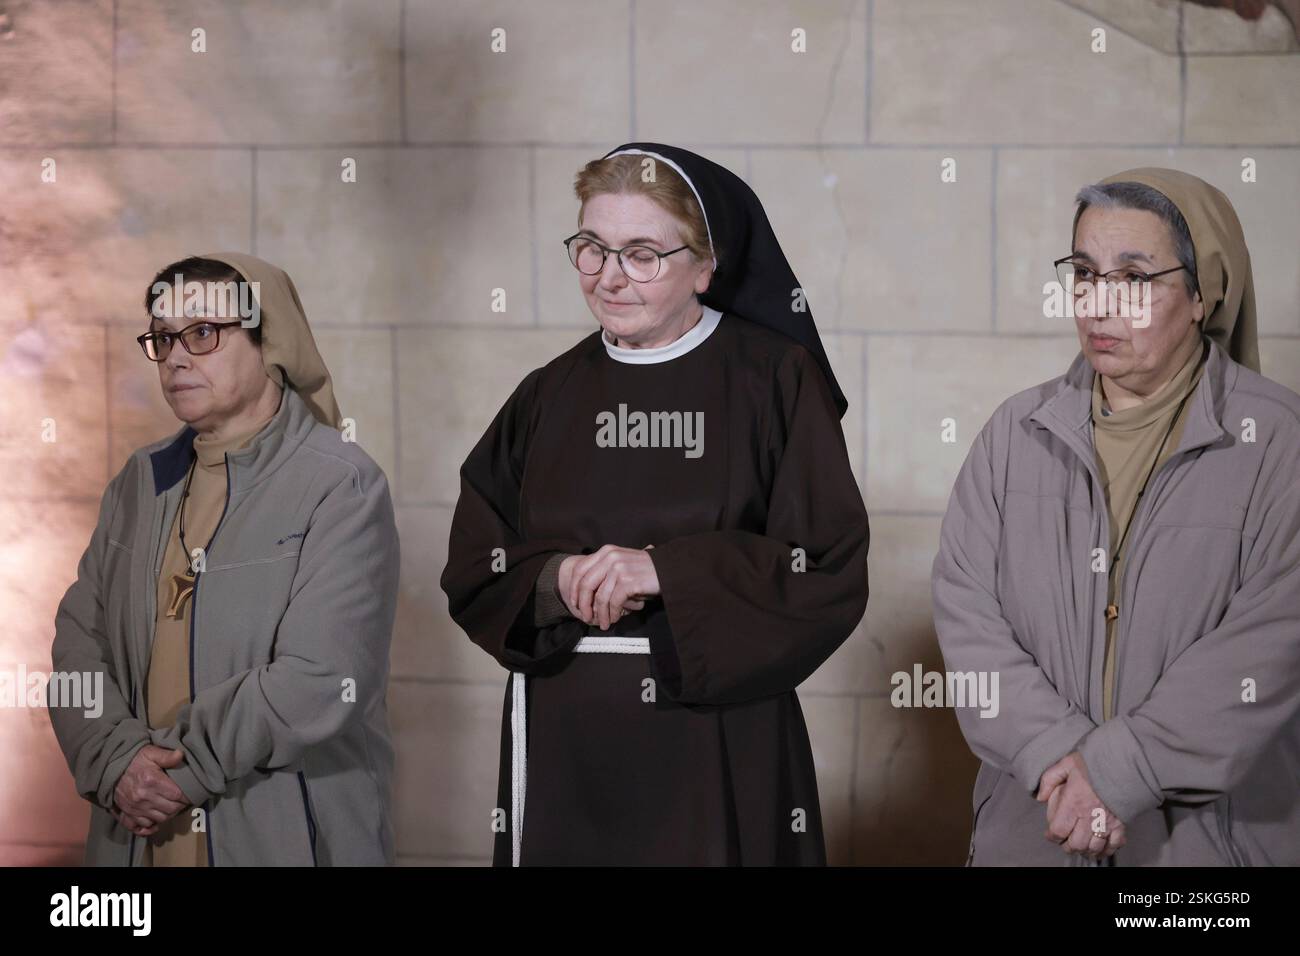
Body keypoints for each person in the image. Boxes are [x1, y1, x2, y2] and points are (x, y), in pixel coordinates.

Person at [441, 142, 870, 865]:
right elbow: (476, 565)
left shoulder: (773, 381)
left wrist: (665, 572)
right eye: (592, 249)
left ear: (706, 265)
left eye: (641, 253)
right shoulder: (548, 393)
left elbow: (826, 569)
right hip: (565, 745)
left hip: (715, 737)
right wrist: (553, 582)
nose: (609, 278)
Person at [933, 168, 1300, 865]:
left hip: (1209, 846)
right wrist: (1058, 761)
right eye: (1084, 272)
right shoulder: (1016, 434)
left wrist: (1116, 772)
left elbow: (1273, 644)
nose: (1099, 305)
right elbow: (968, 617)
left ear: (1201, 294)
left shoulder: (1278, 441)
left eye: (1134, 278)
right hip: (1037, 826)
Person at [50, 253, 400, 865]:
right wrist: (116, 762)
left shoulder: (341, 484)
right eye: (162, 338)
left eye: (203, 333)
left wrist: (172, 777)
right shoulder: (139, 481)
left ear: (271, 343)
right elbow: (79, 646)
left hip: (279, 832)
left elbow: (321, 677)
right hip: (139, 832)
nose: (177, 356)